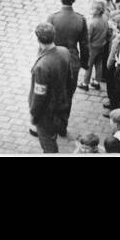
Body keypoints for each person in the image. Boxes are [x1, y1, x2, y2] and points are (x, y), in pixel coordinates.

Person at [46, 0, 89, 137]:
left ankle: (51, 123)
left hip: (54, 60)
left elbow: (46, 42)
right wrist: (85, 63)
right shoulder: (80, 19)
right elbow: (84, 44)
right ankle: (62, 125)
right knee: (67, 94)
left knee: (52, 92)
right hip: (72, 62)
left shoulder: (53, 18)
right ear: (74, 0)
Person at [29, 22, 73, 153]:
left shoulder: (42, 67)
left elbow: (39, 95)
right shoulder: (64, 52)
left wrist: (34, 115)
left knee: (48, 144)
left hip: (46, 113)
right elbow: (69, 79)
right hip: (61, 104)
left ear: (38, 39)